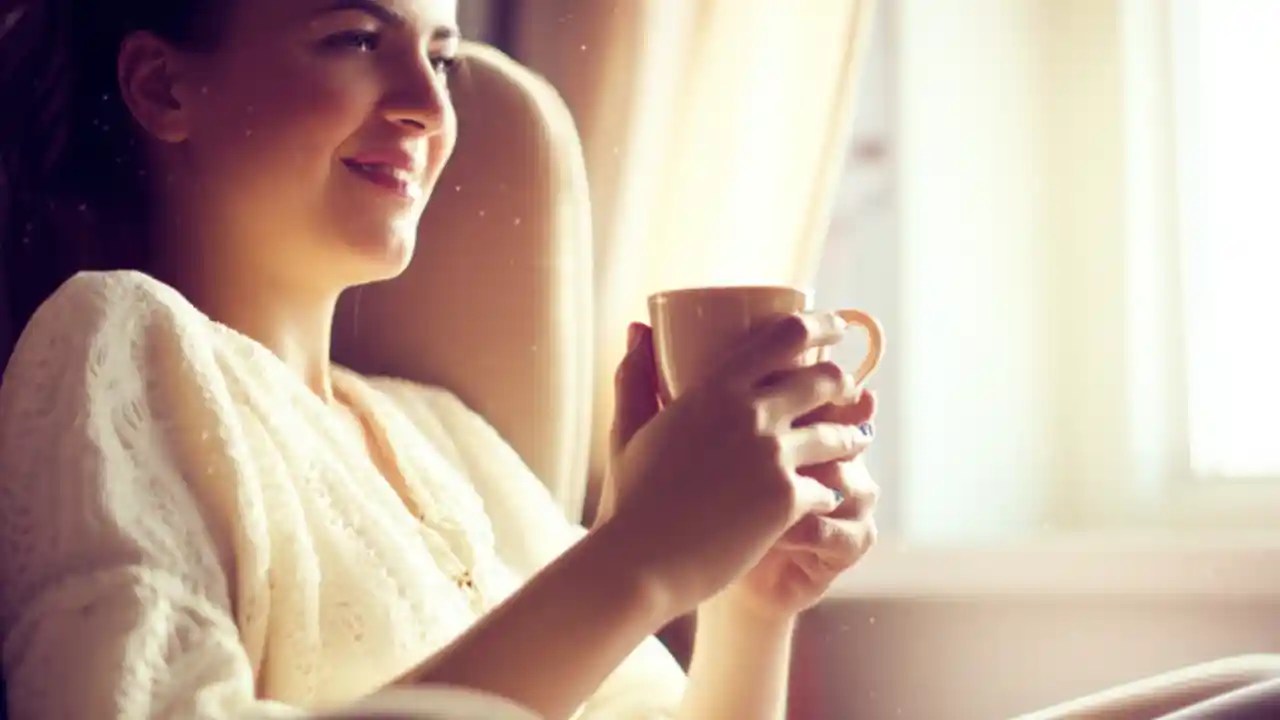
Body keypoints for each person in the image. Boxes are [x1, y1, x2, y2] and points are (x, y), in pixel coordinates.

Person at [0, 0, 881, 718]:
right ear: (164, 89)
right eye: (354, 38)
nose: (429, 105)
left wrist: (747, 599)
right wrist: (640, 556)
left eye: (445, 58)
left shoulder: (450, 439)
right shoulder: (117, 339)